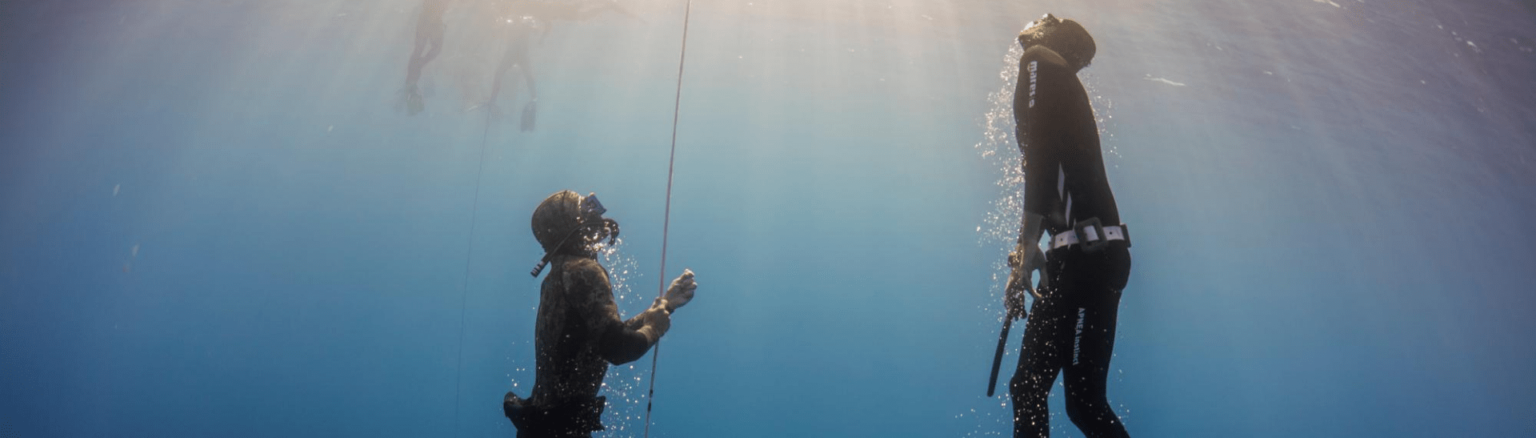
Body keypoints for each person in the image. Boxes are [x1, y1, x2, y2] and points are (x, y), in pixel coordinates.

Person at [1003, 14, 1133, 438]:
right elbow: (1051, 171)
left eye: (1049, 20)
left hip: (1087, 260)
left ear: (1059, 39)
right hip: (1076, 258)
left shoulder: (1040, 59)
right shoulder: (1054, 78)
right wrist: (1033, 247)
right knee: (1033, 390)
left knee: (1082, 403)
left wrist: (1026, 248)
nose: (1037, 22)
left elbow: (1041, 157)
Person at [504, 190, 698, 438]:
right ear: (569, 222)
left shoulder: (556, 278)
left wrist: (664, 306)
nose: (597, 215)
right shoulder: (584, 269)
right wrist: (655, 327)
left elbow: (596, 340)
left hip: (543, 427)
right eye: (586, 208)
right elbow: (618, 347)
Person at [402, 0, 455, 116]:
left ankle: (411, 81)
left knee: (420, 49)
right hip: (432, 19)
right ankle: (414, 76)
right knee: (430, 49)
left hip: (427, 18)